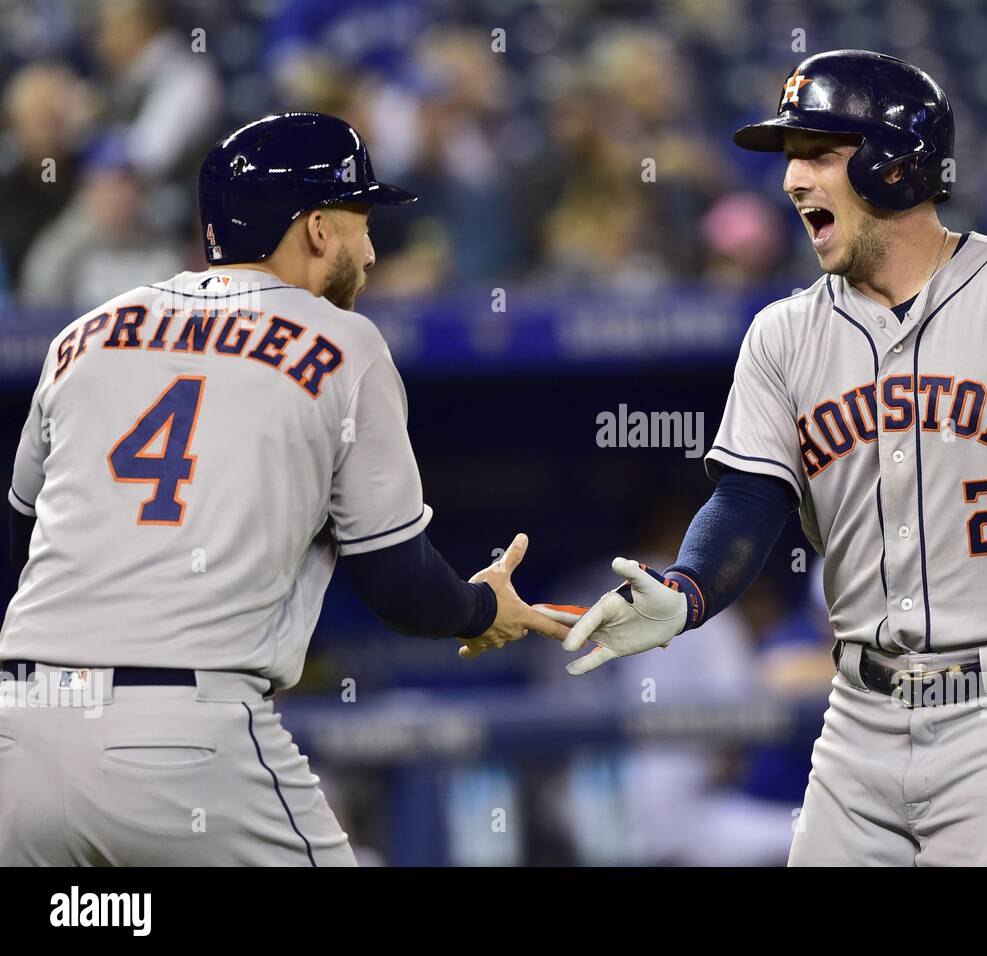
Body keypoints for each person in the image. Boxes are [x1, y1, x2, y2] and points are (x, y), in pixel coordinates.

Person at [538, 51, 987, 866]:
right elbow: (749, 499)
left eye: (818, 154)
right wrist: (690, 588)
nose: (793, 181)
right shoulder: (783, 334)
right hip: (859, 719)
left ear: (893, 163)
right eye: (789, 158)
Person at [0, 112, 566, 866]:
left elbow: (22, 541)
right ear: (318, 229)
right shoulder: (344, 344)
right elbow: (399, 584)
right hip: (185, 741)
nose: (371, 248)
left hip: (21, 731)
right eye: (362, 221)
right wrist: (480, 609)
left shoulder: (85, 333)